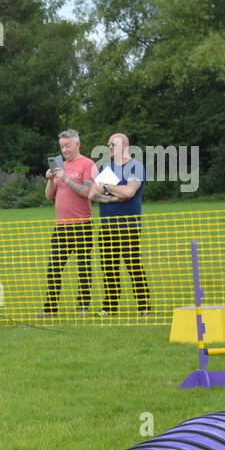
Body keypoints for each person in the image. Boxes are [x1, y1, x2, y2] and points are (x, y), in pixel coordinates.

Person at [41, 130, 97, 316]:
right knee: (54, 267)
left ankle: (82, 307)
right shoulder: (60, 167)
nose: (64, 150)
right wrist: (50, 179)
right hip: (61, 226)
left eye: (68, 146)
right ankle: (50, 309)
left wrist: (66, 179)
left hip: (82, 225)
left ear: (77, 144)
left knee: (83, 267)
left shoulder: (87, 164)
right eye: (62, 146)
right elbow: (49, 196)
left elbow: (87, 191)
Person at [94, 133, 150, 316]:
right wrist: (113, 194)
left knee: (133, 265)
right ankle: (109, 307)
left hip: (128, 226)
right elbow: (94, 194)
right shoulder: (105, 167)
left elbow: (129, 192)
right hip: (106, 226)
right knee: (108, 267)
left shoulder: (135, 166)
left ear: (125, 146)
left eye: (113, 144)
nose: (109, 147)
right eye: (108, 144)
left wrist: (108, 188)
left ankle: (143, 306)